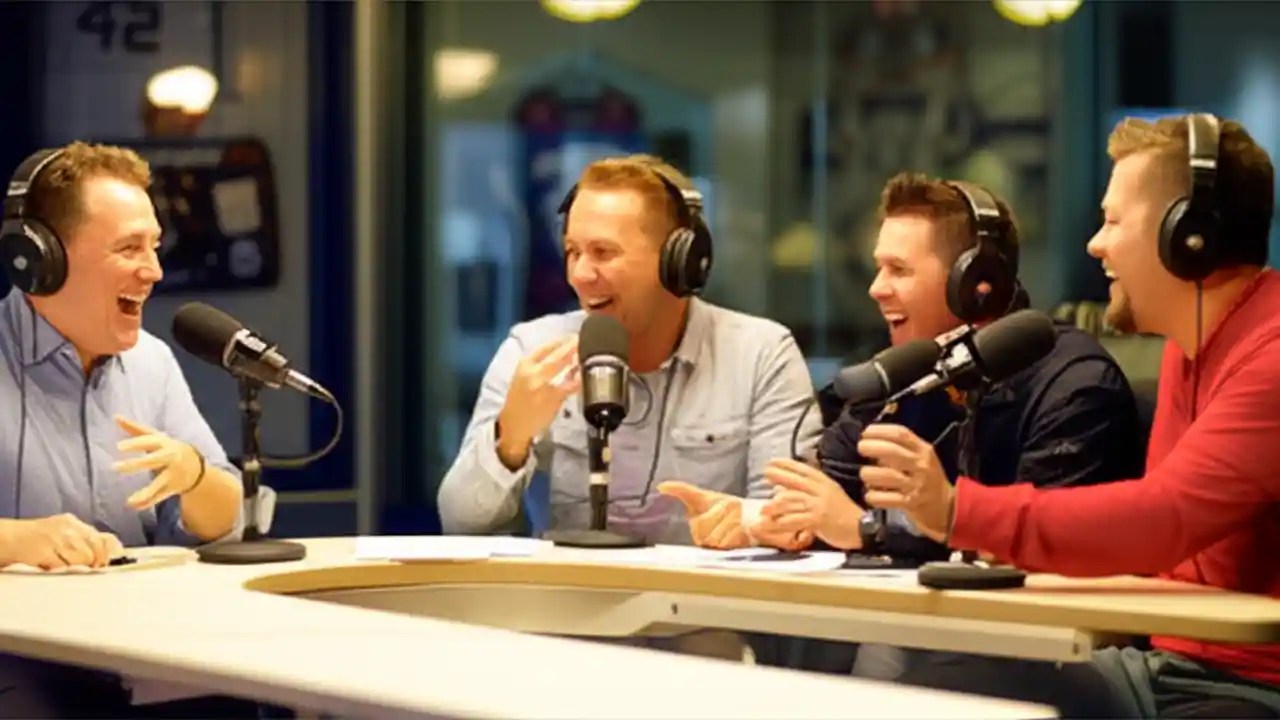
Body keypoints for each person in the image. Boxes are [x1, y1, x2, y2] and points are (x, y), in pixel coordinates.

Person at [857, 114, 1280, 718]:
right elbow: (1159, 556)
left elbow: (1164, 519)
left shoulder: (1272, 354)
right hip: (1166, 670)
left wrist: (957, 510)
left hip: (1251, 688)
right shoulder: (1187, 348)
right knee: (939, 672)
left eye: (1112, 221)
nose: (1095, 244)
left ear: (1189, 237)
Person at [737, 172, 1146, 678]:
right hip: (917, 626)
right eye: (877, 267)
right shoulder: (905, 370)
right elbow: (827, 492)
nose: (876, 288)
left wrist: (869, 531)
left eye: (898, 269)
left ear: (977, 283)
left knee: (886, 654)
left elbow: (1044, 551)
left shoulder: (1076, 384)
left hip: (1032, 644)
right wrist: (764, 518)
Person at [437, 153, 821, 549]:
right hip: (569, 602)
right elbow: (460, 525)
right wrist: (510, 440)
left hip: (708, 605)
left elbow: (792, 526)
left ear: (679, 259)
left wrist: (753, 524)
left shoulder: (761, 356)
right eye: (572, 251)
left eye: (603, 252)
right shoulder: (533, 350)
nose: (580, 275)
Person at [0, 142, 247, 716]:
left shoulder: (151, 362)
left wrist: (193, 475)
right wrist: (14, 540)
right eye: (128, 248)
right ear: (39, 258)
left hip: (142, 649)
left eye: (154, 247)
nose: (154, 271)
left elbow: (226, 518)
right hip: (19, 660)